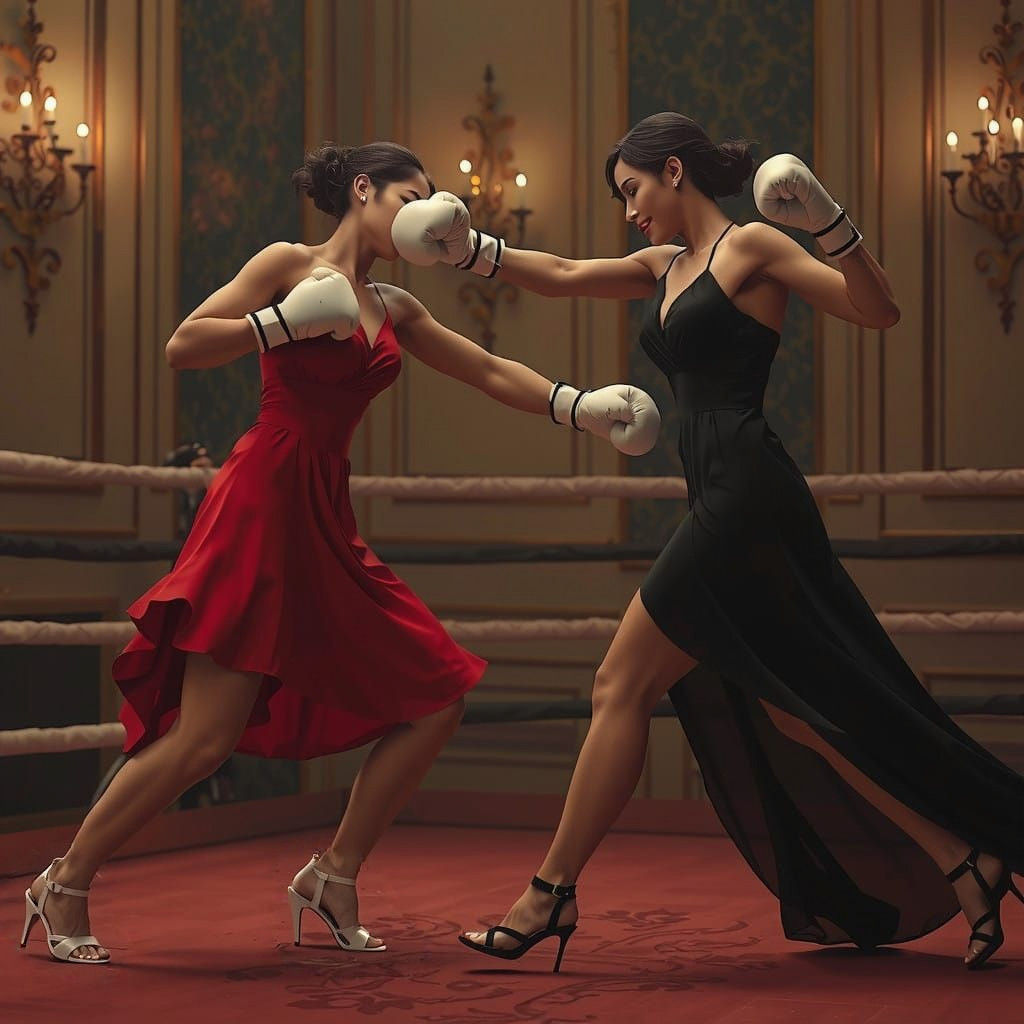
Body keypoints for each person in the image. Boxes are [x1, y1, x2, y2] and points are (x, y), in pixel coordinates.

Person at [393, 112, 1024, 973]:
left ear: (675, 171)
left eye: (632, 191)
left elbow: (877, 312)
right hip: (722, 494)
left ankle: (549, 893)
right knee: (791, 711)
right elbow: (568, 272)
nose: (629, 212)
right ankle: (968, 857)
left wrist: (831, 222)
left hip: (743, 499)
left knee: (619, 681)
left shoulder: (753, 247)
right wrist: (473, 252)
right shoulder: (667, 266)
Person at [18, 141, 660, 965]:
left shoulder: (392, 304)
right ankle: (63, 881)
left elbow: (491, 370)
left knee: (436, 696)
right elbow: (185, 344)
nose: (430, 213)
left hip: (323, 511)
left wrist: (580, 407)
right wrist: (279, 323)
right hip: (259, 502)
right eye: (413, 194)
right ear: (364, 190)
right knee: (204, 737)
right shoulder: (288, 262)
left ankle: (333, 872)